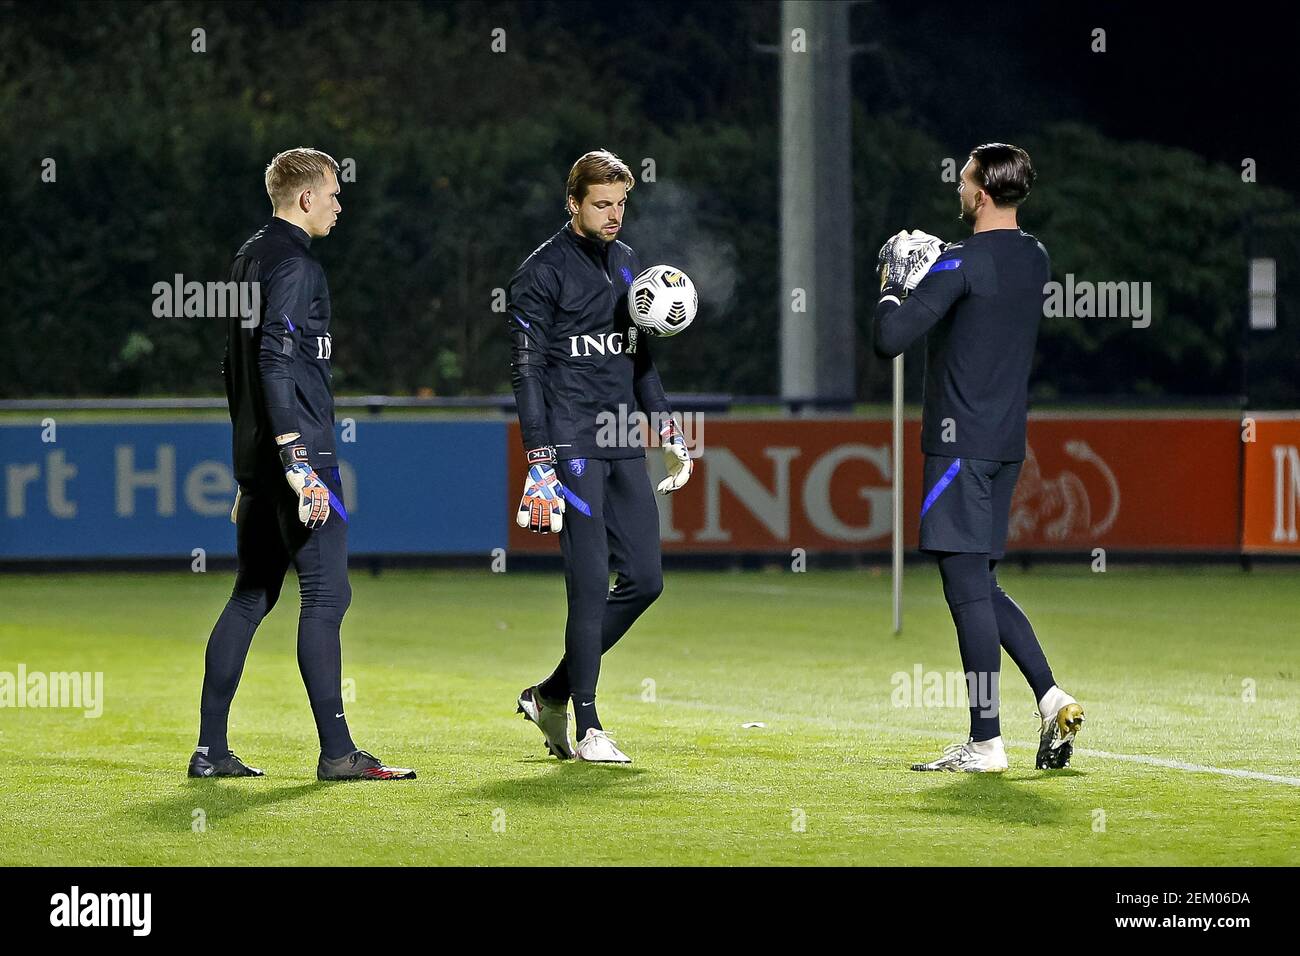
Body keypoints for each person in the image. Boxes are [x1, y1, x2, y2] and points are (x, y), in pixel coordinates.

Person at [189, 147, 414, 781]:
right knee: (326, 595)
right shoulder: (295, 264)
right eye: (334, 194)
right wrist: (295, 459)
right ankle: (338, 754)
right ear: (306, 199)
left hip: (260, 456)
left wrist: (251, 463)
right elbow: (273, 363)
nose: (340, 205)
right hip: (301, 451)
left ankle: (210, 750)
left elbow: (234, 364)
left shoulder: (247, 257)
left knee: (252, 593)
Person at [874, 143, 1084, 772]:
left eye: (965, 181)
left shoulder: (958, 263)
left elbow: (889, 340)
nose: (959, 189)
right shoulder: (1035, 257)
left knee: (965, 592)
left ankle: (987, 740)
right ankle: (1049, 698)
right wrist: (936, 265)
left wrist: (891, 285)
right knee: (982, 584)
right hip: (1004, 446)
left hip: (958, 444)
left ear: (983, 193)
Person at [507, 149, 695, 763]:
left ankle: (552, 693)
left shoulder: (631, 264)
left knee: (645, 579)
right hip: (571, 441)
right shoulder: (540, 273)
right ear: (574, 203)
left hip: (621, 438)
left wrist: (666, 429)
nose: (615, 215)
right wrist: (539, 458)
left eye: (621, 204)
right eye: (602, 204)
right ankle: (587, 725)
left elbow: (639, 356)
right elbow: (526, 371)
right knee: (588, 584)